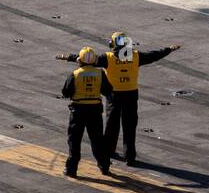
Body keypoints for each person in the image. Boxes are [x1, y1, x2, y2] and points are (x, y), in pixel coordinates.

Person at [58, 32, 181, 165]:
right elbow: (154, 55)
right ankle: (130, 156)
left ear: (113, 44)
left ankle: (109, 151)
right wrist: (168, 49)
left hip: (114, 95)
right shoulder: (135, 56)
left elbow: (89, 60)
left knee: (112, 126)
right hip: (131, 95)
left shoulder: (108, 57)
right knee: (130, 126)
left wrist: (70, 57)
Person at [61, 47, 113, 178]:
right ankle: (104, 166)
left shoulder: (75, 74)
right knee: (97, 140)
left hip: (78, 110)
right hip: (95, 110)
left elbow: (66, 92)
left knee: (74, 140)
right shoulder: (100, 73)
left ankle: (71, 170)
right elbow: (107, 90)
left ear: (80, 60)